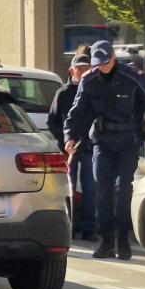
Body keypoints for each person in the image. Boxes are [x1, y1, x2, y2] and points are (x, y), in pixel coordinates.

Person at [65, 40, 145, 260]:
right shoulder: (89, 80)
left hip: (128, 140)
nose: (100, 67)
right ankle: (106, 242)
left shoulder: (132, 78)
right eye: (97, 63)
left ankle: (123, 240)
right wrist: (70, 137)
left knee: (122, 189)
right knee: (103, 190)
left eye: (104, 63)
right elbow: (77, 112)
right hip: (102, 140)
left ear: (113, 59)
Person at [47, 52, 96, 242]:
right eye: (80, 68)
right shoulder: (63, 93)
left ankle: (89, 229)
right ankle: (70, 227)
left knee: (91, 189)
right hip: (68, 150)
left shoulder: (95, 90)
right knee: (68, 189)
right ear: (71, 70)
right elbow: (53, 121)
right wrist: (65, 141)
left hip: (90, 148)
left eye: (87, 68)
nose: (83, 71)